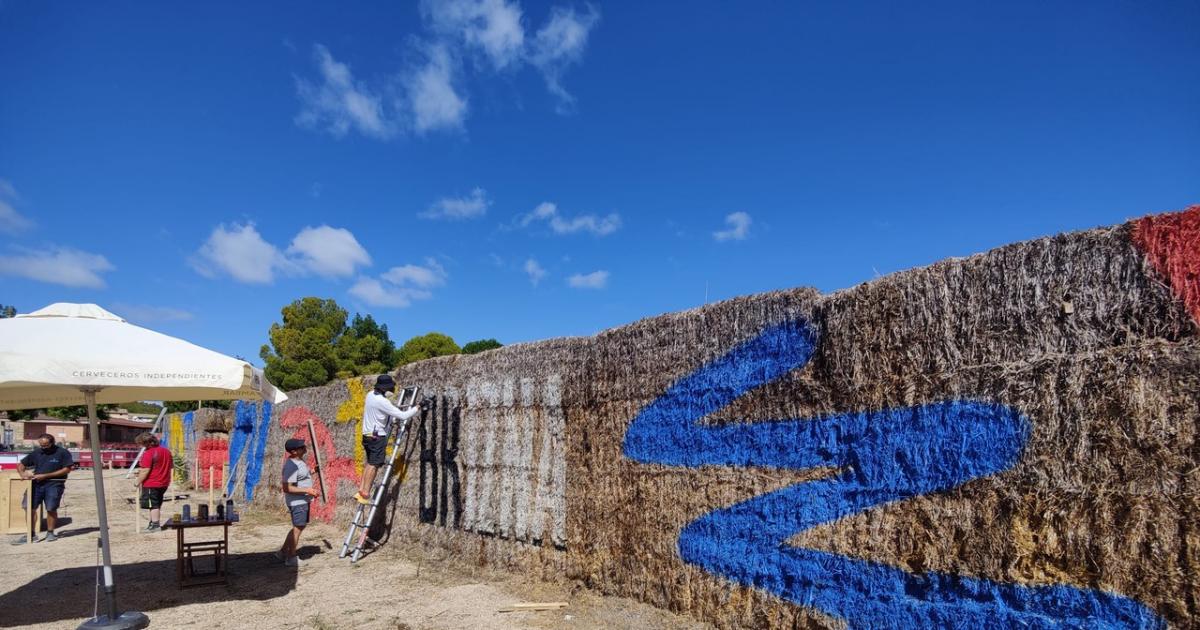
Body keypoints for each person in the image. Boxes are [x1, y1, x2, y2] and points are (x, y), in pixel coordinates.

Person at [355, 374, 419, 505]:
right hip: (377, 437)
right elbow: (403, 415)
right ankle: (365, 493)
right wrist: (418, 407)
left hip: (367, 435)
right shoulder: (382, 402)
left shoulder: (370, 395)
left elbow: (384, 413)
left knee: (369, 463)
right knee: (374, 465)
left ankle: (361, 490)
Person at [17, 433, 73, 542]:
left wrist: (46, 476)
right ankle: (31, 534)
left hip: (54, 484)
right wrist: (23, 474)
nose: (43, 447)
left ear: (52, 443)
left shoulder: (62, 453)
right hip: (36, 484)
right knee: (28, 507)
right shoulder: (37, 452)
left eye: (46, 445)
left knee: (51, 508)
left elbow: (67, 469)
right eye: (41, 445)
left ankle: (50, 533)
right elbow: (21, 465)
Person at [278, 438, 319, 567]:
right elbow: (287, 488)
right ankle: (291, 557)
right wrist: (307, 490)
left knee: (298, 526)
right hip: (297, 502)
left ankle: (283, 552)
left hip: (302, 500)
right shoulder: (291, 466)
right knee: (298, 528)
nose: (305, 447)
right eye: (301, 447)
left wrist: (313, 471)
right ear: (294, 451)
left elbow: (301, 476)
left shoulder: (299, 461)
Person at [134, 432, 172, 532]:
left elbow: (146, 470)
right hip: (164, 482)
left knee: (153, 504)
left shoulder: (149, 453)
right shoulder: (166, 451)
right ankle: (152, 523)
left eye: (142, 443)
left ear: (147, 443)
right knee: (156, 504)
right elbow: (170, 466)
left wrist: (137, 481)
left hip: (152, 483)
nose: (141, 446)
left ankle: (155, 525)